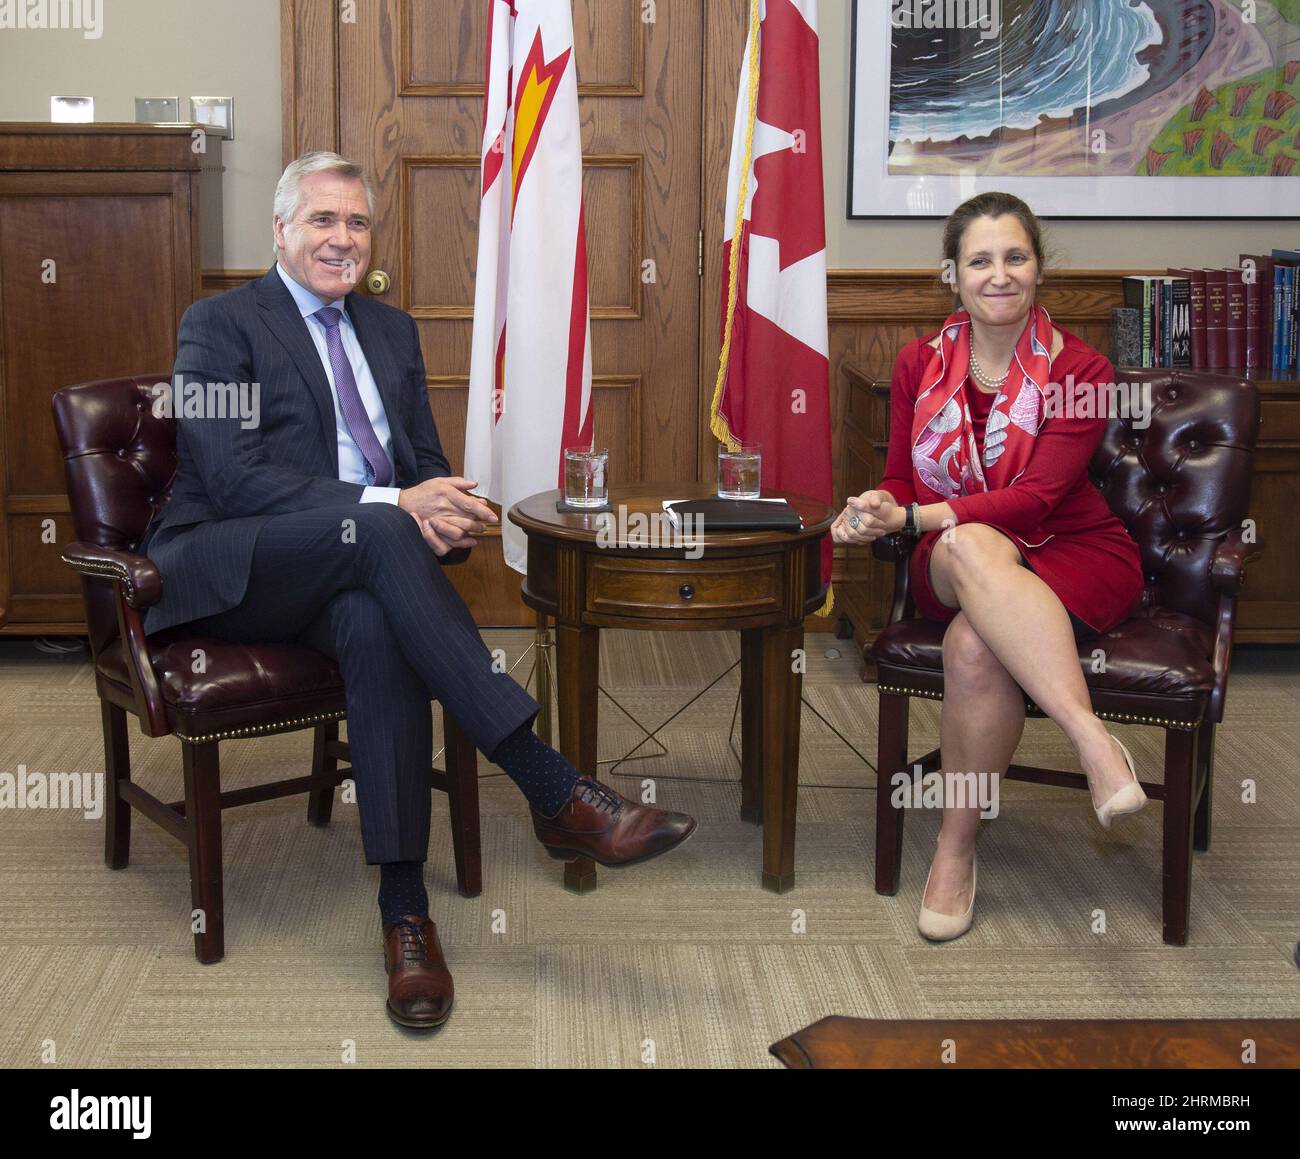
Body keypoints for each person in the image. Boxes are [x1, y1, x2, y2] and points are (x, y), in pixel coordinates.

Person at [139, 151, 696, 1027]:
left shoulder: (391, 331)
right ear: (280, 232)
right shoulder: (218, 324)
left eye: (357, 223)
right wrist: (397, 507)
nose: (341, 238)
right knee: (381, 529)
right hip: (231, 564)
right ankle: (551, 784)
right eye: (322, 220)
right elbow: (233, 477)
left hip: (358, 564)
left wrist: (442, 506)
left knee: (373, 617)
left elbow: (422, 464)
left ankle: (406, 914)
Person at [831, 192, 1146, 943]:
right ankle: (1092, 737)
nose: (999, 274)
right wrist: (884, 503)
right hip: (953, 559)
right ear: (953, 275)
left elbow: (1038, 499)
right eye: (980, 260)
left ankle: (955, 846)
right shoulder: (919, 362)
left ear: (1038, 268)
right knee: (969, 545)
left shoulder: (1082, 367)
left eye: (1015, 257)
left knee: (974, 647)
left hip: (1072, 553)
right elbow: (906, 479)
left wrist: (917, 519)